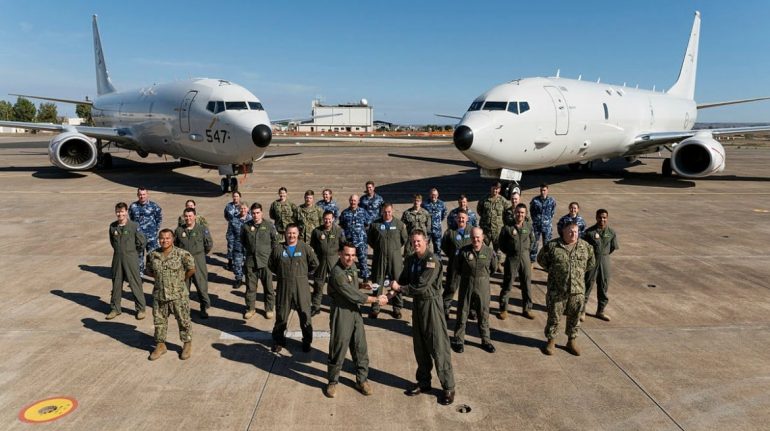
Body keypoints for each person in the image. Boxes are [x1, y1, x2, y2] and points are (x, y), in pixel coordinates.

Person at [389, 229, 456, 406]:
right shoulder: (411, 259)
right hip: (418, 306)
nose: (415, 244)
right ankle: (424, 382)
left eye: (418, 241)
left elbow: (421, 286)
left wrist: (399, 289)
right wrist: (391, 291)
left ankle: (448, 387)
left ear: (426, 241)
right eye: (413, 241)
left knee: (438, 346)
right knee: (420, 346)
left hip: (431, 305)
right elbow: (403, 279)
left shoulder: (432, 261)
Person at [325, 242, 388, 399]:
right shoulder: (337, 273)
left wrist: (361, 284)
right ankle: (332, 381)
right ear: (340, 254)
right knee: (338, 347)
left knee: (360, 347)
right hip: (342, 312)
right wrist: (375, 299)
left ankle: (362, 380)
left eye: (353, 255)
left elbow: (352, 286)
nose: (350, 258)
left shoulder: (351, 267)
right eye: (347, 255)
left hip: (355, 312)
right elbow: (352, 294)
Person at [537, 222, 595, 356]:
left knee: (575, 318)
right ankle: (551, 341)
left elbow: (590, 264)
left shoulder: (585, 247)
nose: (573, 234)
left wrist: (576, 275)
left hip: (577, 291)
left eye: (575, 231)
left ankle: (571, 341)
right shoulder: (552, 246)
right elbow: (542, 261)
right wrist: (557, 272)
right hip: (557, 291)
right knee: (554, 317)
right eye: (570, 231)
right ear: (563, 232)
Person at [146, 229, 195, 361]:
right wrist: (159, 280)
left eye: (168, 238)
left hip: (178, 294)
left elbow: (191, 269)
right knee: (159, 321)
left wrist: (180, 280)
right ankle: (160, 345)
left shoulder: (182, 254)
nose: (164, 240)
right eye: (162, 238)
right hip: (160, 294)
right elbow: (149, 270)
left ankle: (187, 344)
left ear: (173, 239)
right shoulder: (153, 255)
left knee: (183, 320)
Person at [269, 224, 319, 353]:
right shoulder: (278, 248)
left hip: (301, 286)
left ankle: (307, 341)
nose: (291, 236)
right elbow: (271, 265)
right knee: (281, 315)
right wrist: (282, 275)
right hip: (284, 286)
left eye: (294, 233)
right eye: (289, 233)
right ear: (285, 234)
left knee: (305, 315)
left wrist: (303, 274)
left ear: (298, 234)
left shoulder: (305, 248)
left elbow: (315, 263)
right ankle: (279, 341)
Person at [452, 227, 498, 354]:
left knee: (483, 313)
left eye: (478, 237)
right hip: (467, 284)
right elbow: (458, 267)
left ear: (482, 237)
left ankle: (486, 341)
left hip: (483, 285)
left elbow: (493, 268)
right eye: (473, 237)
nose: (475, 240)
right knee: (462, 312)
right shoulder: (463, 251)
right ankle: (458, 340)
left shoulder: (489, 252)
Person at [107, 202, 147, 320]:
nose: (120, 214)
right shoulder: (112, 226)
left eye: (122, 211)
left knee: (135, 283)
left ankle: (140, 309)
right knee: (116, 283)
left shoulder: (134, 226)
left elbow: (142, 242)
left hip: (131, 257)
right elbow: (112, 242)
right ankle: (115, 308)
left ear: (126, 212)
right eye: (118, 212)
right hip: (117, 257)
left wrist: (133, 252)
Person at [367, 203, 408, 319]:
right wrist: (380, 248)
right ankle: (375, 307)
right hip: (379, 257)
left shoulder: (399, 225)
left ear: (392, 211)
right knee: (377, 282)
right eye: (385, 212)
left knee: (396, 283)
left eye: (389, 212)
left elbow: (403, 240)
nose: (387, 214)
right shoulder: (375, 225)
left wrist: (393, 249)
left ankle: (397, 308)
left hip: (395, 258)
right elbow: (370, 240)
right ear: (381, 212)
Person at [498, 204, 536, 320]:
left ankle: (527, 308)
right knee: (507, 284)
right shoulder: (507, 228)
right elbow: (501, 243)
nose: (520, 214)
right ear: (515, 213)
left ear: (525, 214)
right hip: (512, 258)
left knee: (526, 284)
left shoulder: (528, 226)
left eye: (522, 213)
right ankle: (504, 309)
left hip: (525, 258)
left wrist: (526, 252)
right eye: (518, 212)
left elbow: (533, 241)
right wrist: (510, 252)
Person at [174, 208, 213, 318]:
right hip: (184, 262)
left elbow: (208, 244)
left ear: (195, 216)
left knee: (201, 286)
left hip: (198, 261)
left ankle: (204, 308)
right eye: (186, 216)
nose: (188, 218)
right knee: (184, 287)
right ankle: (184, 309)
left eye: (190, 216)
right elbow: (175, 245)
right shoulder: (179, 230)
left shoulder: (202, 229)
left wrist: (200, 254)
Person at [241, 203, 278, 319]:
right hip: (251, 263)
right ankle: (250, 308)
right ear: (250, 214)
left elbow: (275, 242)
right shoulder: (246, 226)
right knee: (250, 288)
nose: (255, 215)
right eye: (253, 213)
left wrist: (269, 255)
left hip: (265, 262)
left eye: (257, 213)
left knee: (268, 288)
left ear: (261, 213)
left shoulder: (269, 226)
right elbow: (243, 241)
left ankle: (269, 308)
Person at [582, 209, 619, 322]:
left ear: (607, 218)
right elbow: (584, 247)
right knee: (587, 285)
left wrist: (604, 255)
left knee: (603, 286)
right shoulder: (589, 232)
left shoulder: (611, 232)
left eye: (604, 217)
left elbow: (612, 247)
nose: (602, 219)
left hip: (605, 260)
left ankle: (600, 311)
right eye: (600, 217)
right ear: (596, 217)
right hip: (592, 260)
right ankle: (581, 310)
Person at [310, 210, 346, 316]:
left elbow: (343, 245)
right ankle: (316, 307)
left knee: (336, 284)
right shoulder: (317, 231)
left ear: (333, 219)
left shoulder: (338, 231)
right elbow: (313, 245)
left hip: (334, 261)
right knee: (318, 284)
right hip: (320, 262)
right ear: (323, 219)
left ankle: (337, 307)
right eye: (325, 219)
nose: (327, 221)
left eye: (329, 218)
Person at [440, 210, 471, 321]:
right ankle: (445, 309)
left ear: (467, 219)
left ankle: (470, 310)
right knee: (451, 287)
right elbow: (444, 246)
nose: (461, 220)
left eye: (463, 218)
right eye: (459, 218)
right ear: (456, 219)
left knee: (469, 289)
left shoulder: (472, 231)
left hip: (469, 266)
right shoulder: (450, 232)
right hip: (454, 265)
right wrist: (454, 256)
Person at [128, 187, 163, 275]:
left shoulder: (154, 206)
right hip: (139, 237)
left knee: (154, 256)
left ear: (147, 195)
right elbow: (131, 220)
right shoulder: (133, 206)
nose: (142, 196)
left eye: (144, 194)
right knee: (138, 256)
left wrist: (155, 230)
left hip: (151, 237)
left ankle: (155, 274)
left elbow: (159, 219)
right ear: (137, 195)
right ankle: (139, 275)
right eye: (140, 195)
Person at [338, 194, 370, 281]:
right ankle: (348, 278)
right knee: (348, 260)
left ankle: (365, 278)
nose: (353, 202)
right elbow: (341, 226)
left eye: (355, 200)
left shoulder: (363, 212)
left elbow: (368, 224)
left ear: (358, 201)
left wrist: (365, 236)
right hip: (349, 242)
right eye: (351, 200)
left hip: (361, 241)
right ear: (349, 201)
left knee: (363, 260)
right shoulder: (345, 213)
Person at [477, 181, 511, 256]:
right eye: (493, 188)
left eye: (497, 189)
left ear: (499, 190)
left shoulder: (503, 200)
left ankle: (497, 266)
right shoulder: (484, 199)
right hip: (486, 230)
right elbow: (479, 210)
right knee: (483, 249)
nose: (495, 190)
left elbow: (509, 211)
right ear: (491, 188)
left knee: (499, 251)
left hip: (498, 231)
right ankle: (484, 265)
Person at [530, 183, 557, 263]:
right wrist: (536, 220)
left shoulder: (551, 201)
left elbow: (552, 212)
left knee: (547, 244)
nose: (543, 192)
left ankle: (546, 262)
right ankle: (532, 260)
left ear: (547, 190)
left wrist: (547, 221)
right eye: (541, 190)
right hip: (536, 226)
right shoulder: (535, 200)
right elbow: (532, 212)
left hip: (547, 226)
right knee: (534, 243)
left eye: (544, 190)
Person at [227, 203, 251, 289]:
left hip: (249, 247)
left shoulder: (251, 219)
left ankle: (249, 280)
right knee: (237, 264)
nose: (243, 210)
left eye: (245, 208)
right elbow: (230, 234)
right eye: (241, 208)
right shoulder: (234, 220)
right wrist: (231, 246)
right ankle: (239, 279)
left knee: (249, 265)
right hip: (238, 245)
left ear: (248, 209)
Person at [422, 188, 447, 256]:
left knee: (438, 249)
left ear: (438, 195)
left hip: (437, 230)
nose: (434, 196)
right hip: (427, 230)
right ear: (429, 195)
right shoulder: (424, 204)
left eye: (435, 195)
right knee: (425, 248)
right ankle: (425, 264)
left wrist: (437, 222)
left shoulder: (442, 204)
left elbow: (444, 214)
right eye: (432, 195)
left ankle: (438, 264)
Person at [223, 191, 243, 270]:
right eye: (234, 196)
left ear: (239, 197)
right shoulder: (229, 206)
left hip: (241, 229)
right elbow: (226, 216)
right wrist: (232, 222)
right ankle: (230, 263)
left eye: (237, 196)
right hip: (231, 230)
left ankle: (240, 262)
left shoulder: (243, 206)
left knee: (241, 246)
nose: (235, 198)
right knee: (230, 246)